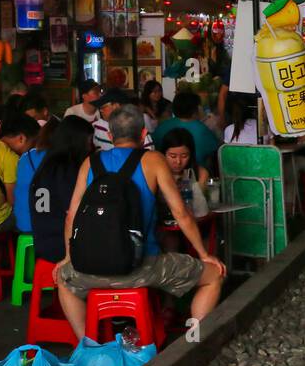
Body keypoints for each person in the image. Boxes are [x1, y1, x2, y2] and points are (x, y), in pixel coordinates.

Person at [54, 104, 227, 337]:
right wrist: (204, 254)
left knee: (63, 281)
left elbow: (71, 217)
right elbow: (181, 213)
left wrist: (67, 258)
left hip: (89, 269)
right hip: (142, 268)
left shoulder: (90, 163)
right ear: (144, 135)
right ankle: (193, 341)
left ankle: (88, 346)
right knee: (214, 276)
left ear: (109, 135)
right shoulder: (154, 160)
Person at [27, 116, 94, 265]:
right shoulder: (66, 168)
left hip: (43, 240)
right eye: (89, 142)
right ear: (77, 141)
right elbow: (72, 211)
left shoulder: (47, 164)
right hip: (60, 245)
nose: (90, 147)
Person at [151, 91, 220, 170]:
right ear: (195, 109)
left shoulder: (162, 126)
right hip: (194, 174)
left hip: (164, 171)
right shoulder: (202, 129)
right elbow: (214, 150)